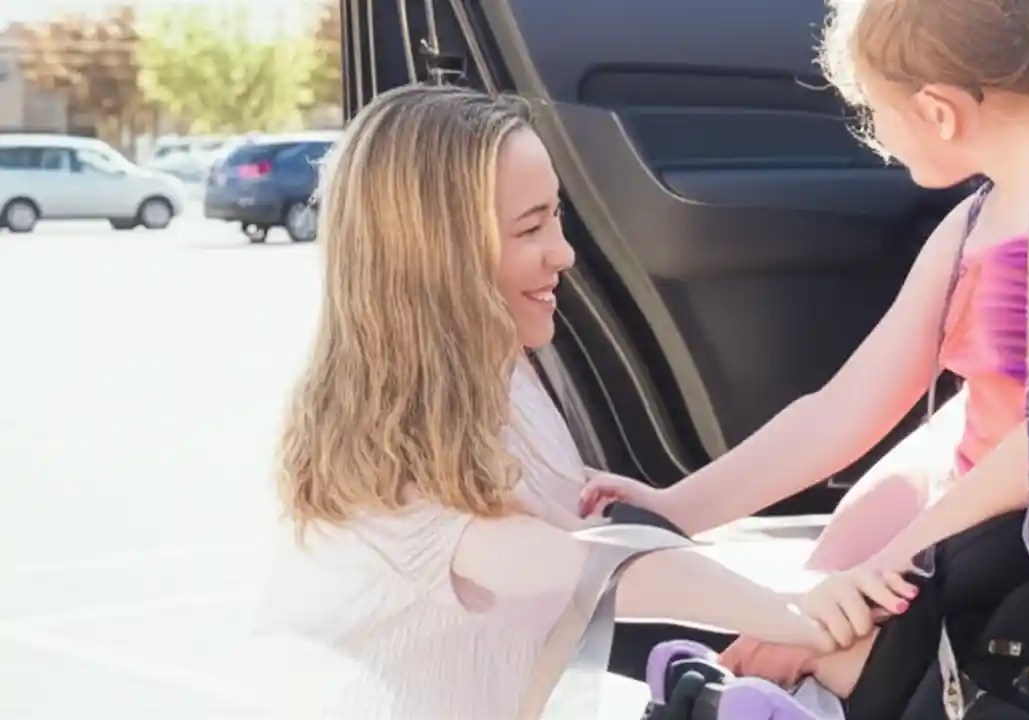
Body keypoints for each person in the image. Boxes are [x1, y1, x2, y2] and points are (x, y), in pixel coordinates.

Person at [580, 0, 1029, 710]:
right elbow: (844, 409)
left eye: (874, 112)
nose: (875, 136)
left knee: (796, 650)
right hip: (975, 509)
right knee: (771, 644)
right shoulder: (975, 219)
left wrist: (883, 569)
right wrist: (670, 510)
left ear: (938, 110)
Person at [250, 85, 920, 720]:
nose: (563, 253)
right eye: (530, 228)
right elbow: (580, 572)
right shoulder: (382, 460)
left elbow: (588, 551)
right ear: (442, 257)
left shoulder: (501, 376)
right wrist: (795, 612)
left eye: (558, 215)